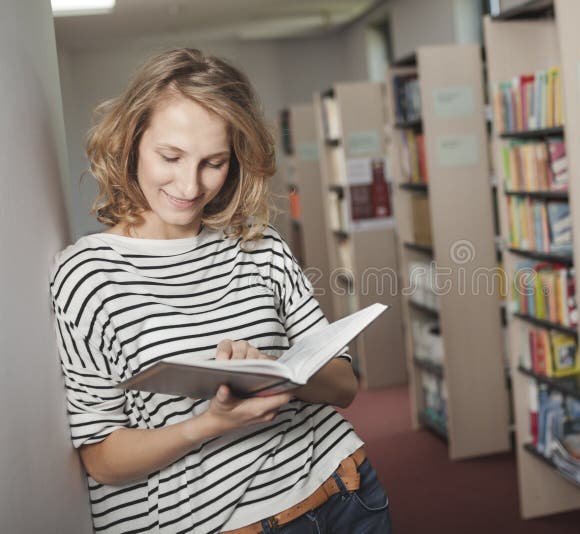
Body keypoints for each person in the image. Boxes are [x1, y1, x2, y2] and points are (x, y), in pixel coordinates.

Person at [48, 48, 391, 534]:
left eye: (214, 162)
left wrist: (272, 374)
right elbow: (101, 458)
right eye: (170, 157)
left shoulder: (259, 245)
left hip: (342, 492)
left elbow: (344, 384)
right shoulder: (87, 274)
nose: (189, 186)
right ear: (130, 143)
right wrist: (211, 423)